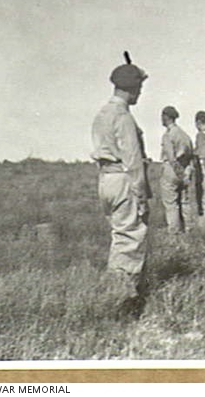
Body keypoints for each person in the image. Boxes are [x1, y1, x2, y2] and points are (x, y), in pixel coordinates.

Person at [91, 59, 151, 315]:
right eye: (139, 87)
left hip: (106, 179)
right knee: (130, 238)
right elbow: (133, 161)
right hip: (124, 178)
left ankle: (118, 291)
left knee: (119, 236)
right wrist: (142, 193)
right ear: (133, 88)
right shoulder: (124, 117)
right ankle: (121, 300)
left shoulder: (102, 113)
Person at [160, 105, 196, 234]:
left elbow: (171, 158)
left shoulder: (168, 135)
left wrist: (178, 172)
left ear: (166, 117)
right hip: (185, 169)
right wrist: (185, 174)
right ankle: (189, 229)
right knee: (185, 202)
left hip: (172, 170)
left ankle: (174, 232)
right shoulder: (184, 134)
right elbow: (191, 154)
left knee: (171, 204)